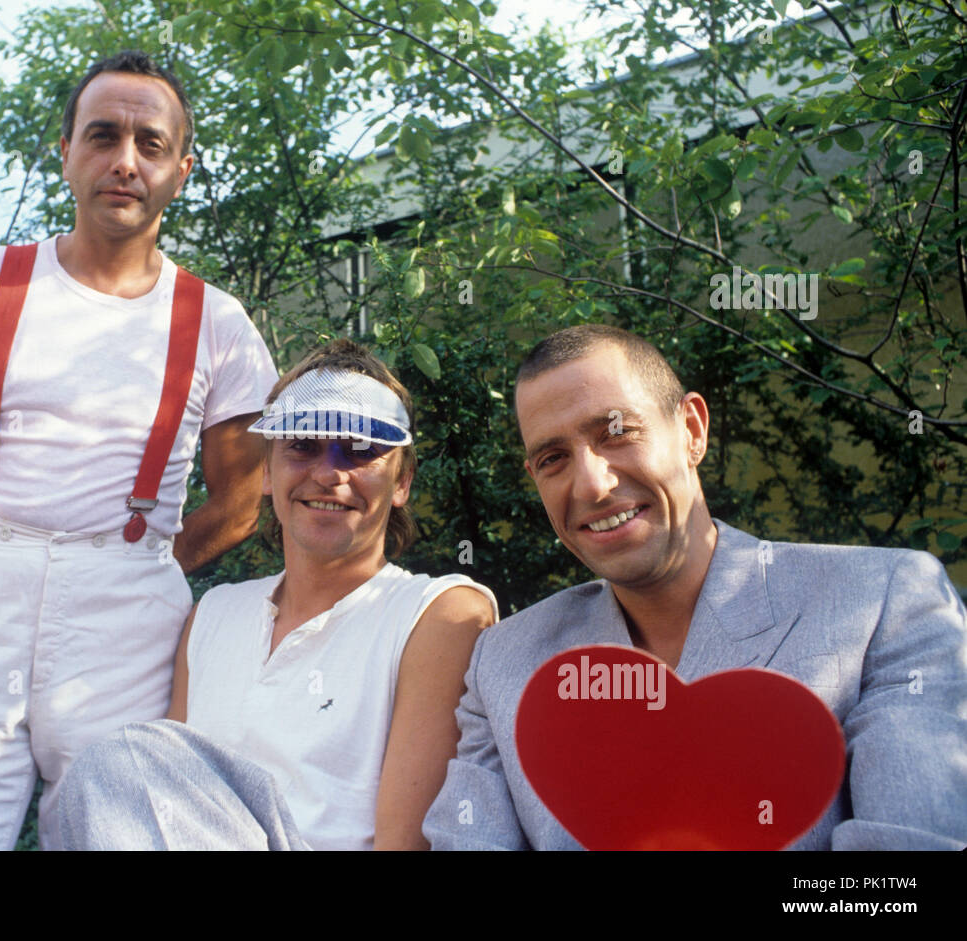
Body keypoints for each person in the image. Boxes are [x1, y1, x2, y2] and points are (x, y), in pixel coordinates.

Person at [0, 50, 279, 850]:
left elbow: (240, 499)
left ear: (181, 169)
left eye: (150, 144)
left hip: (127, 614)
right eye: (102, 136)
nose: (125, 161)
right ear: (65, 154)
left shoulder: (219, 323)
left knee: (127, 828)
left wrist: (139, 563)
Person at [424, 323, 967, 850]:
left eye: (616, 432)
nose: (591, 484)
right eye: (553, 459)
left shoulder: (885, 603)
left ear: (692, 430)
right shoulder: (504, 662)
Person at [57, 340, 499, 850]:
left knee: (122, 759)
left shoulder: (438, 613)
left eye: (361, 449)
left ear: (402, 480)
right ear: (265, 471)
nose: (330, 473)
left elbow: (407, 844)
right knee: (120, 767)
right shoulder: (212, 615)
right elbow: (161, 810)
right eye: (303, 446)